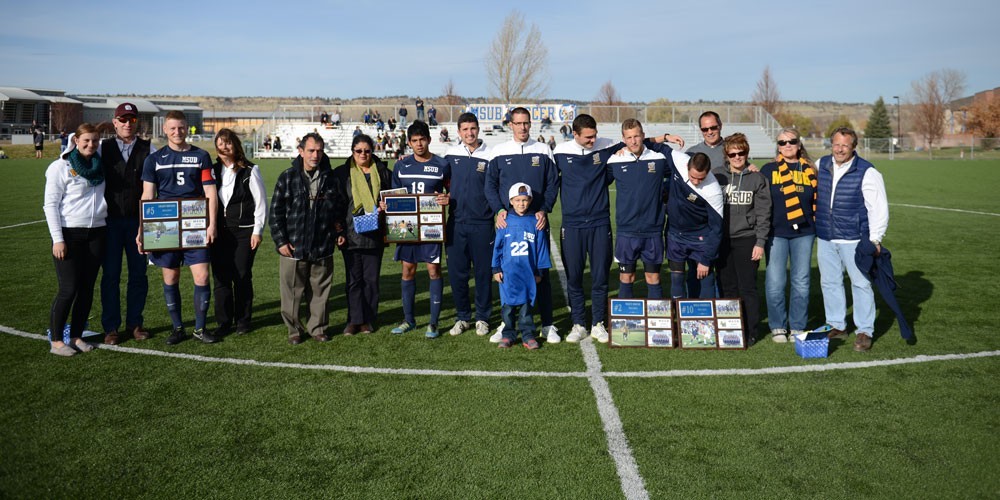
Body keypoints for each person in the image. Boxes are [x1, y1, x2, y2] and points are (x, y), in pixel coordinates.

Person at [138, 111, 220, 345]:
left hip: (195, 224)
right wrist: (142, 229)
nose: (177, 132)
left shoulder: (201, 156)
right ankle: (177, 328)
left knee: (202, 276)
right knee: (171, 276)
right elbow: (147, 195)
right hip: (165, 226)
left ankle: (200, 328)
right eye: (173, 128)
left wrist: (212, 224)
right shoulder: (154, 159)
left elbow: (210, 193)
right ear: (165, 129)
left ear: (187, 128)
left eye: (181, 128)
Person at [484, 107, 560, 343]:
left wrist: (544, 209)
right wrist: (498, 210)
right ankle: (506, 326)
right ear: (511, 125)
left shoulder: (543, 149)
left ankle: (547, 324)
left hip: (535, 223)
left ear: (530, 124)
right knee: (508, 272)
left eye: (526, 123)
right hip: (509, 223)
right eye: (518, 123)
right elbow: (490, 185)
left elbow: (552, 184)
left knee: (540, 272)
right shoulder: (499, 152)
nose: (523, 127)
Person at [815, 127, 888, 352]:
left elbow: (879, 208)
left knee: (861, 283)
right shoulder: (821, 164)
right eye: (836, 144)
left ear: (853, 147)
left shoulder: (867, 171)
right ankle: (837, 324)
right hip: (826, 237)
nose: (839, 149)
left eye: (845, 145)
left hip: (854, 239)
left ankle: (865, 330)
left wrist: (875, 239)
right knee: (829, 282)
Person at [270, 133, 343, 344]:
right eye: (311, 150)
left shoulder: (331, 178)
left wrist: (338, 233)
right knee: (292, 292)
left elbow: (337, 210)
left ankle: (317, 328)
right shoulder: (288, 177)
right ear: (301, 151)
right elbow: (276, 213)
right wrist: (281, 241)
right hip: (294, 246)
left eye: (319, 151)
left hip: (322, 244)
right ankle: (294, 330)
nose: (315, 155)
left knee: (320, 291)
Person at [43, 125, 107, 356]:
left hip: (97, 233)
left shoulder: (99, 165)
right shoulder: (60, 167)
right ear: (76, 140)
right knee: (68, 289)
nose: (91, 145)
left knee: (87, 289)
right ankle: (57, 341)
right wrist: (57, 239)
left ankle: (77, 336)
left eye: (96, 141)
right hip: (69, 234)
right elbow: (50, 205)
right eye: (87, 140)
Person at [383, 121, 450, 338]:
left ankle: (433, 323)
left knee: (433, 271)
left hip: (431, 227)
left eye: (422, 139)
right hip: (407, 227)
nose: (419, 144)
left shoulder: (442, 164)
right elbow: (394, 194)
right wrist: (387, 205)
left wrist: (447, 198)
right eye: (414, 140)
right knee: (408, 270)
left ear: (429, 139)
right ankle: (408, 320)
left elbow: (451, 191)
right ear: (409, 142)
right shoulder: (401, 166)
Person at [608, 118, 685, 304]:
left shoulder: (658, 158)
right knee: (626, 278)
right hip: (626, 231)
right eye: (629, 137)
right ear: (623, 139)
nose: (633, 141)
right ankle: (626, 324)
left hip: (653, 231)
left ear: (643, 136)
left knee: (653, 279)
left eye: (636, 136)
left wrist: (665, 138)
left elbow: (683, 172)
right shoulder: (615, 159)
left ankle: (656, 327)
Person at [99, 102, 154, 345]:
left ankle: (135, 323)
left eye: (131, 120)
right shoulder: (103, 147)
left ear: (137, 122)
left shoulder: (148, 148)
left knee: (138, 275)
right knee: (110, 275)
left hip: (137, 221)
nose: (127, 124)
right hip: (109, 222)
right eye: (122, 119)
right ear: (114, 122)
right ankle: (111, 327)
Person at [712, 133, 771, 343]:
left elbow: (764, 213)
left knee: (747, 287)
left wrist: (760, 242)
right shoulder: (716, 176)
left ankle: (751, 331)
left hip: (747, 238)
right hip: (723, 240)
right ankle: (732, 329)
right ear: (726, 155)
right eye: (733, 153)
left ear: (747, 153)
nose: (737, 157)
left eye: (742, 153)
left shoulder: (757, 178)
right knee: (728, 286)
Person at [760, 128, 816, 343]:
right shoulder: (768, 169)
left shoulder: (811, 169)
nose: (787, 145)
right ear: (778, 146)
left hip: (804, 232)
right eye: (782, 143)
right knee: (775, 281)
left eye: (792, 141)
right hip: (776, 232)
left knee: (801, 281)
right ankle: (778, 326)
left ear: (799, 144)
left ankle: (798, 326)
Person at [210, 129, 267, 337]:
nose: (224, 147)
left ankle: (243, 320)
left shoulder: (251, 170)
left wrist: (257, 231)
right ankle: (223, 322)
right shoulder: (212, 171)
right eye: (220, 143)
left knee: (241, 275)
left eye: (228, 143)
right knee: (221, 278)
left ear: (235, 145)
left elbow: (261, 203)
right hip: (218, 233)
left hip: (244, 232)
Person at [334, 134, 391, 334]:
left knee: (371, 280)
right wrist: (339, 230)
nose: (363, 154)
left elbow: (394, 198)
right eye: (359, 151)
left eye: (367, 150)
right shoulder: (341, 173)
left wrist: (387, 205)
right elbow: (337, 205)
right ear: (352, 152)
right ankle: (353, 320)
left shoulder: (383, 172)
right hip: (350, 234)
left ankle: (368, 319)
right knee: (353, 280)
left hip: (375, 234)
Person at [444, 113, 494, 337]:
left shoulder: (491, 155)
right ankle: (463, 316)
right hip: (456, 223)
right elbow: (440, 185)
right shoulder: (450, 155)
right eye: (465, 129)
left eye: (472, 128)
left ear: (478, 129)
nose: (469, 133)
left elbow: (496, 187)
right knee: (457, 274)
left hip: (483, 224)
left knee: (483, 273)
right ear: (458, 132)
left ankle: (483, 317)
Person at [492, 183, 551, 349]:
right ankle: (508, 334)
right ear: (511, 201)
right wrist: (496, 268)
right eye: (517, 200)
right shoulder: (504, 222)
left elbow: (541, 248)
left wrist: (539, 271)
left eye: (525, 200)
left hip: (528, 272)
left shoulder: (536, 221)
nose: (521, 204)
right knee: (508, 307)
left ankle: (527, 334)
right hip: (508, 273)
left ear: (530, 200)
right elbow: (497, 247)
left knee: (526, 307)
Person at [665, 152, 724, 299]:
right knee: (676, 280)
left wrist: (706, 260)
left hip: (699, 238)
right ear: (687, 167)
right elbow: (655, 146)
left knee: (706, 278)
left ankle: (706, 320)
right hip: (675, 236)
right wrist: (666, 136)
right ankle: (679, 318)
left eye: (701, 178)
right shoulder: (679, 160)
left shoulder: (713, 191)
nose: (696, 182)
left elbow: (716, 229)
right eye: (693, 177)